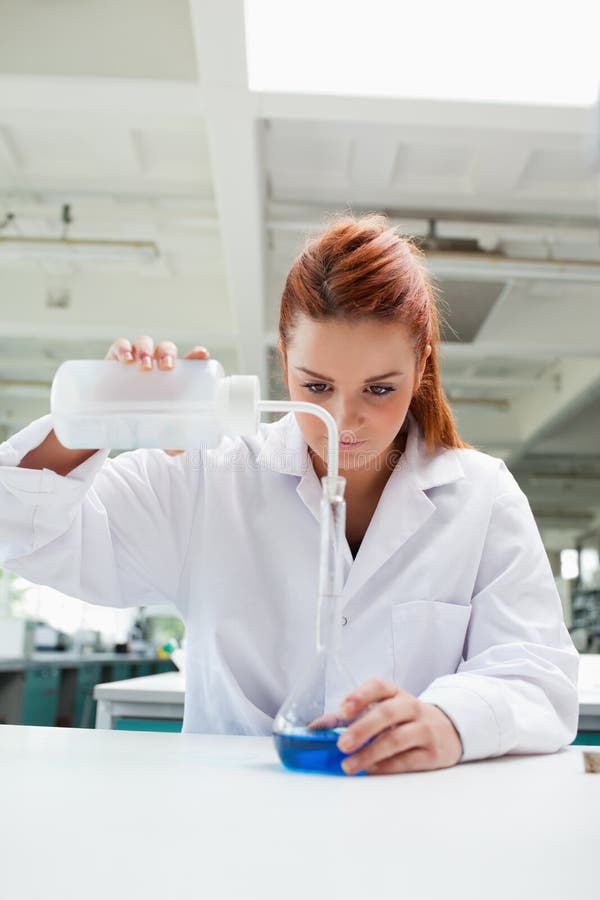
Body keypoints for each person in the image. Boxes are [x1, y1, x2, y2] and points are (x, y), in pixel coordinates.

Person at [0, 214, 578, 776]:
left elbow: (537, 675)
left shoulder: (481, 497)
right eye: (317, 385)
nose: (344, 419)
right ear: (283, 359)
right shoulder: (208, 478)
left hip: (409, 822)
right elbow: (25, 535)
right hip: (235, 830)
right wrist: (93, 417)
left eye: (379, 389)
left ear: (422, 364)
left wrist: (449, 723)